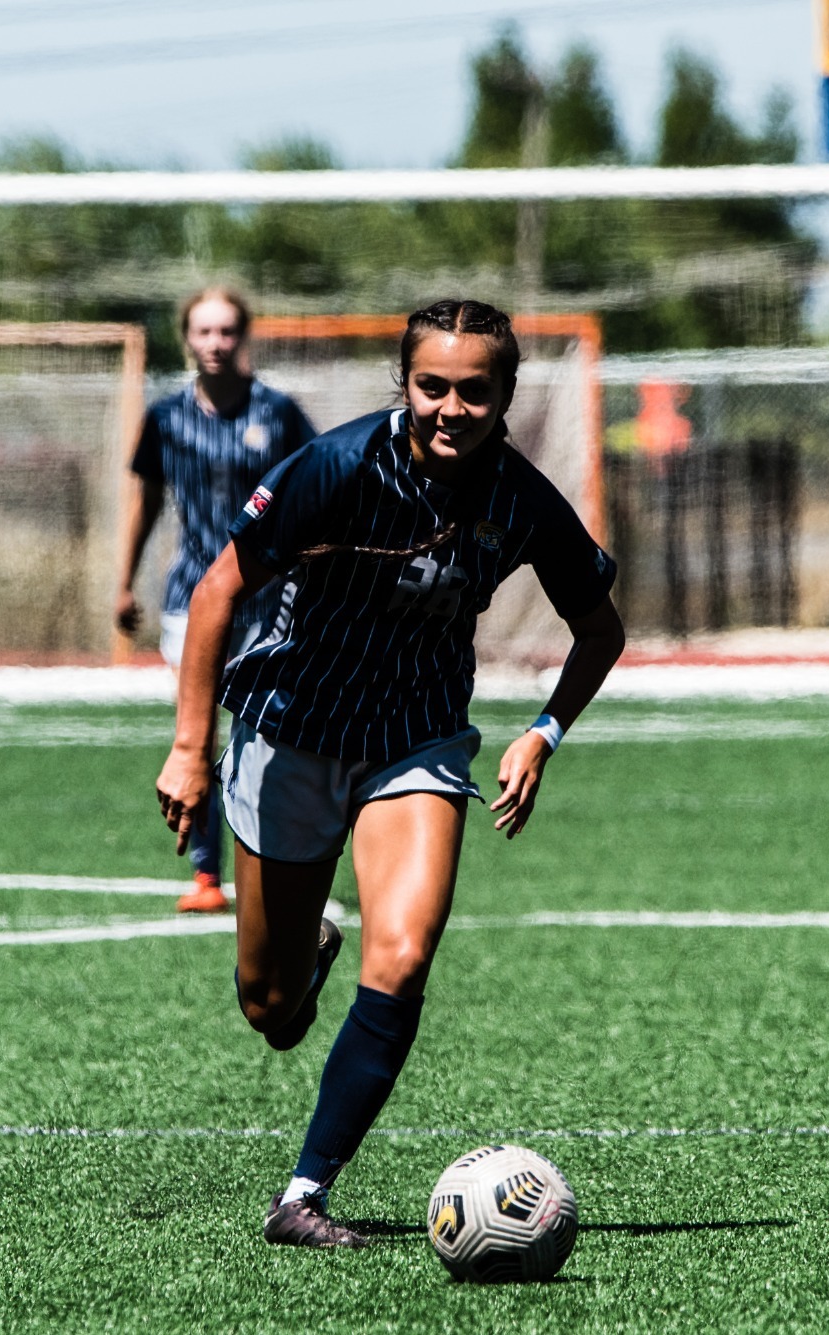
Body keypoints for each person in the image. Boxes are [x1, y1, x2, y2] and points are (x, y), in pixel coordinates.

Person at [153, 299, 626, 1247]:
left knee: (404, 956)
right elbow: (215, 594)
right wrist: (187, 747)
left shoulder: (523, 500)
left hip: (416, 739)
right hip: (290, 733)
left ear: (505, 396)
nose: (452, 407)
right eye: (432, 386)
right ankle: (304, 960)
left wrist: (542, 733)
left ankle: (302, 1195)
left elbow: (600, 629)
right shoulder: (336, 466)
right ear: (405, 386)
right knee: (272, 1008)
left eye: (474, 391)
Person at [118, 288, 316, 913]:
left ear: (244, 336)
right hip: (192, 597)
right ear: (187, 339)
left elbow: (316, 492)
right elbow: (145, 500)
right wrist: (124, 581)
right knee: (196, 732)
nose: (215, 343)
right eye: (203, 331)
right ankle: (206, 873)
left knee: (263, 732)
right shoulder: (166, 417)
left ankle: (279, 860)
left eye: (227, 331)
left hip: (271, 597)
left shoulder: (280, 413)